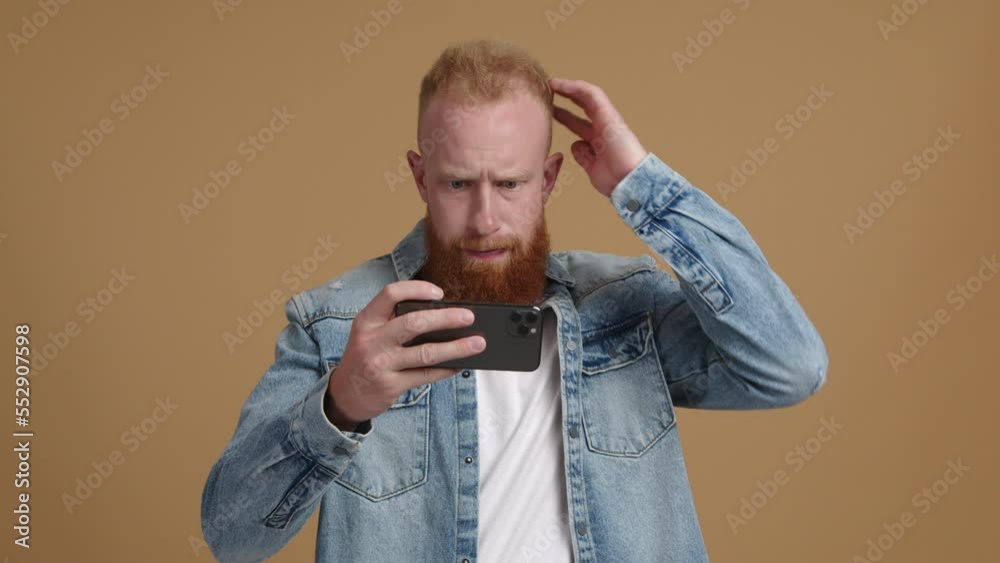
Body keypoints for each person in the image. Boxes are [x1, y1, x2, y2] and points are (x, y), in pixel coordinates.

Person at [201, 38, 829, 563]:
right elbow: (231, 536)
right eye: (456, 183)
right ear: (421, 177)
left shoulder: (627, 307)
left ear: (549, 179)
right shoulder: (335, 325)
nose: (484, 219)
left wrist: (644, 186)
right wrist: (339, 406)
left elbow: (790, 367)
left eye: (510, 183)